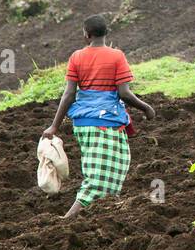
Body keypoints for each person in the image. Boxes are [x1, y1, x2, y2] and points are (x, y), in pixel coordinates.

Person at [41, 14, 155, 218]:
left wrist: (54, 126)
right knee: (98, 177)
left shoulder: (77, 57)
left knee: (115, 165)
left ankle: (102, 213)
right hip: (105, 123)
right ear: (106, 33)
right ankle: (68, 218)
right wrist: (145, 107)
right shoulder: (117, 56)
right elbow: (124, 93)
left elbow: (69, 95)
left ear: (86, 35)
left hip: (85, 123)